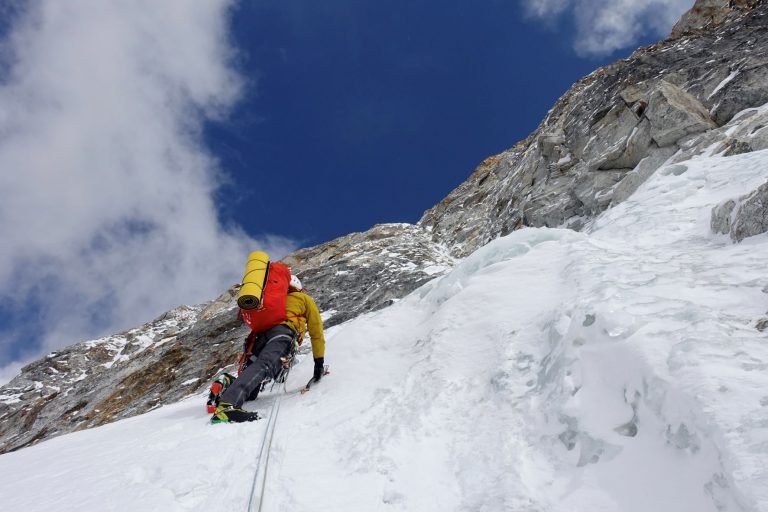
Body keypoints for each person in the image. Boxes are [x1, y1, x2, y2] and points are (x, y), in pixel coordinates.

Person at [211, 274, 326, 423]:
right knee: (265, 366)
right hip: (282, 334)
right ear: (298, 287)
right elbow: (316, 332)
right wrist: (318, 364)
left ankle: (228, 381)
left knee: (252, 392)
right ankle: (227, 406)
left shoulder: (271, 300)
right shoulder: (303, 298)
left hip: (258, 338)